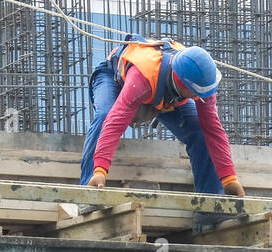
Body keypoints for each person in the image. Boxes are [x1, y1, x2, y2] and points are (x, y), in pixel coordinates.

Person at [80, 37, 246, 197]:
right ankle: (90, 191)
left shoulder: (203, 82)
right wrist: (100, 170)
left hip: (164, 94)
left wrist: (229, 178)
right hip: (114, 77)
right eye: (197, 93)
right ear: (182, 83)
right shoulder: (143, 77)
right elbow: (115, 122)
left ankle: (211, 210)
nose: (201, 97)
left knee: (199, 132)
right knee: (105, 115)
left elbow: (213, 130)